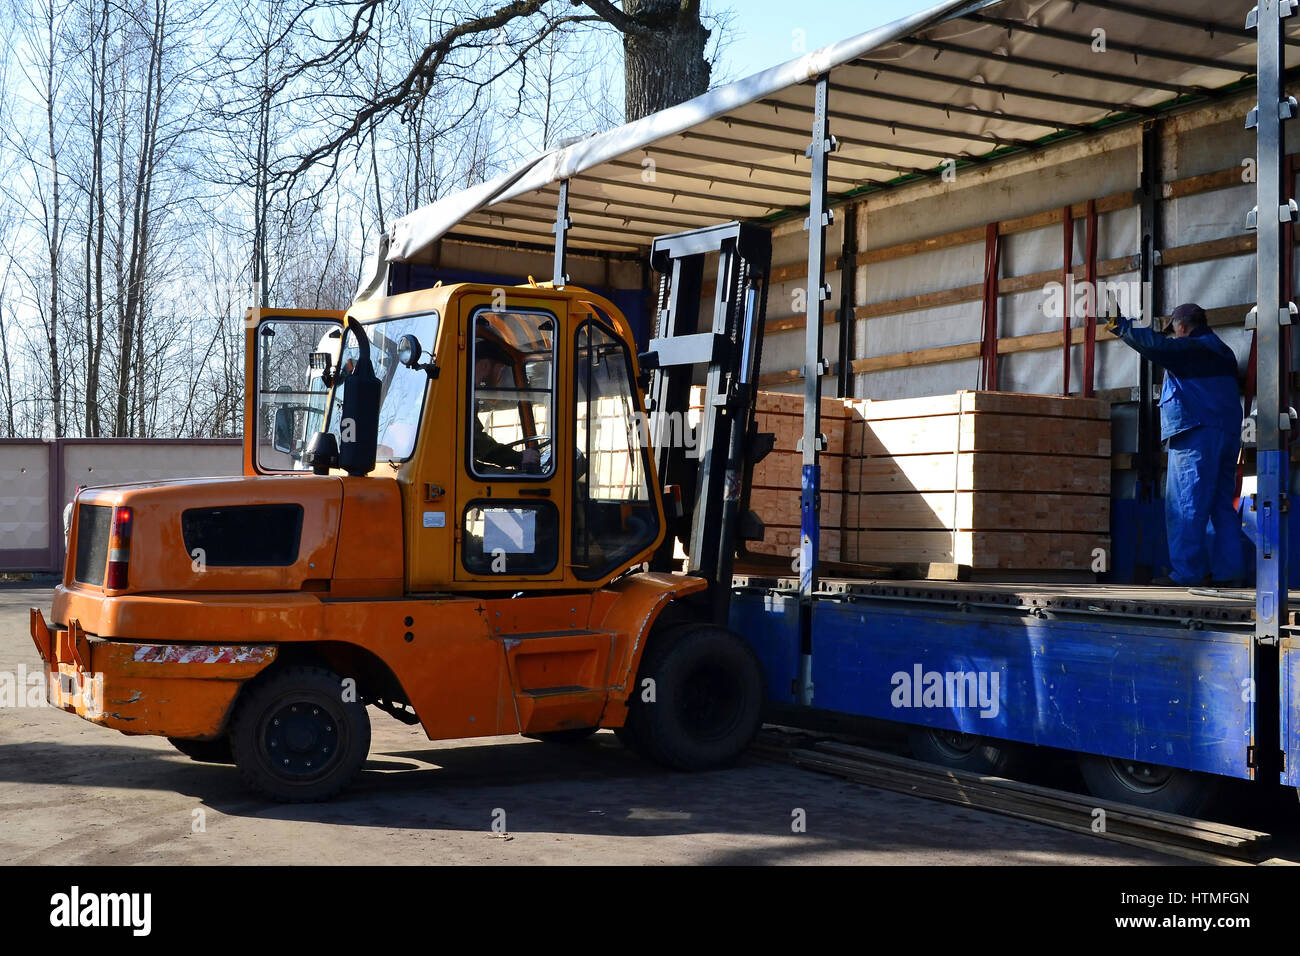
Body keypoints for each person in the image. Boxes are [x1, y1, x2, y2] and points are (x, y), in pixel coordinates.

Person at [1105, 301, 1244, 586]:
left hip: (1196, 434)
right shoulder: (1223, 352)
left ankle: (1188, 575)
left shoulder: (1192, 349)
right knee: (1221, 505)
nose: (1174, 335)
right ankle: (1230, 573)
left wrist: (1122, 326)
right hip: (1227, 435)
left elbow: (1158, 348)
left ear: (1182, 326)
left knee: (1185, 505)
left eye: (1175, 330)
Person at [472, 336, 541, 474]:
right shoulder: (461, 393)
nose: (500, 377)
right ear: (485, 366)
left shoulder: (465, 390)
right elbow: (477, 443)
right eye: (500, 369)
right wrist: (518, 457)